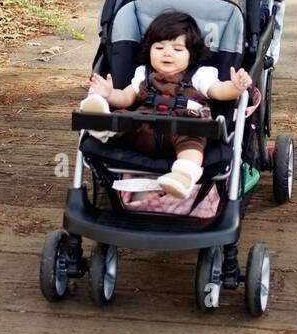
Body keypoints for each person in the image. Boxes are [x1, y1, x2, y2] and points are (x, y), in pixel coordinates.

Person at [80, 11, 253, 198]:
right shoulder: (143, 74)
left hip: (184, 125)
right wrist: (109, 94)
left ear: (191, 55)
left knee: (193, 141)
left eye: (178, 49)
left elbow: (219, 91)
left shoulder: (200, 75)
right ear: (148, 50)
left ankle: (183, 176)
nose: (167, 53)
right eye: (159, 47)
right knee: (123, 117)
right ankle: (101, 126)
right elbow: (125, 97)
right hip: (142, 124)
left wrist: (235, 87)